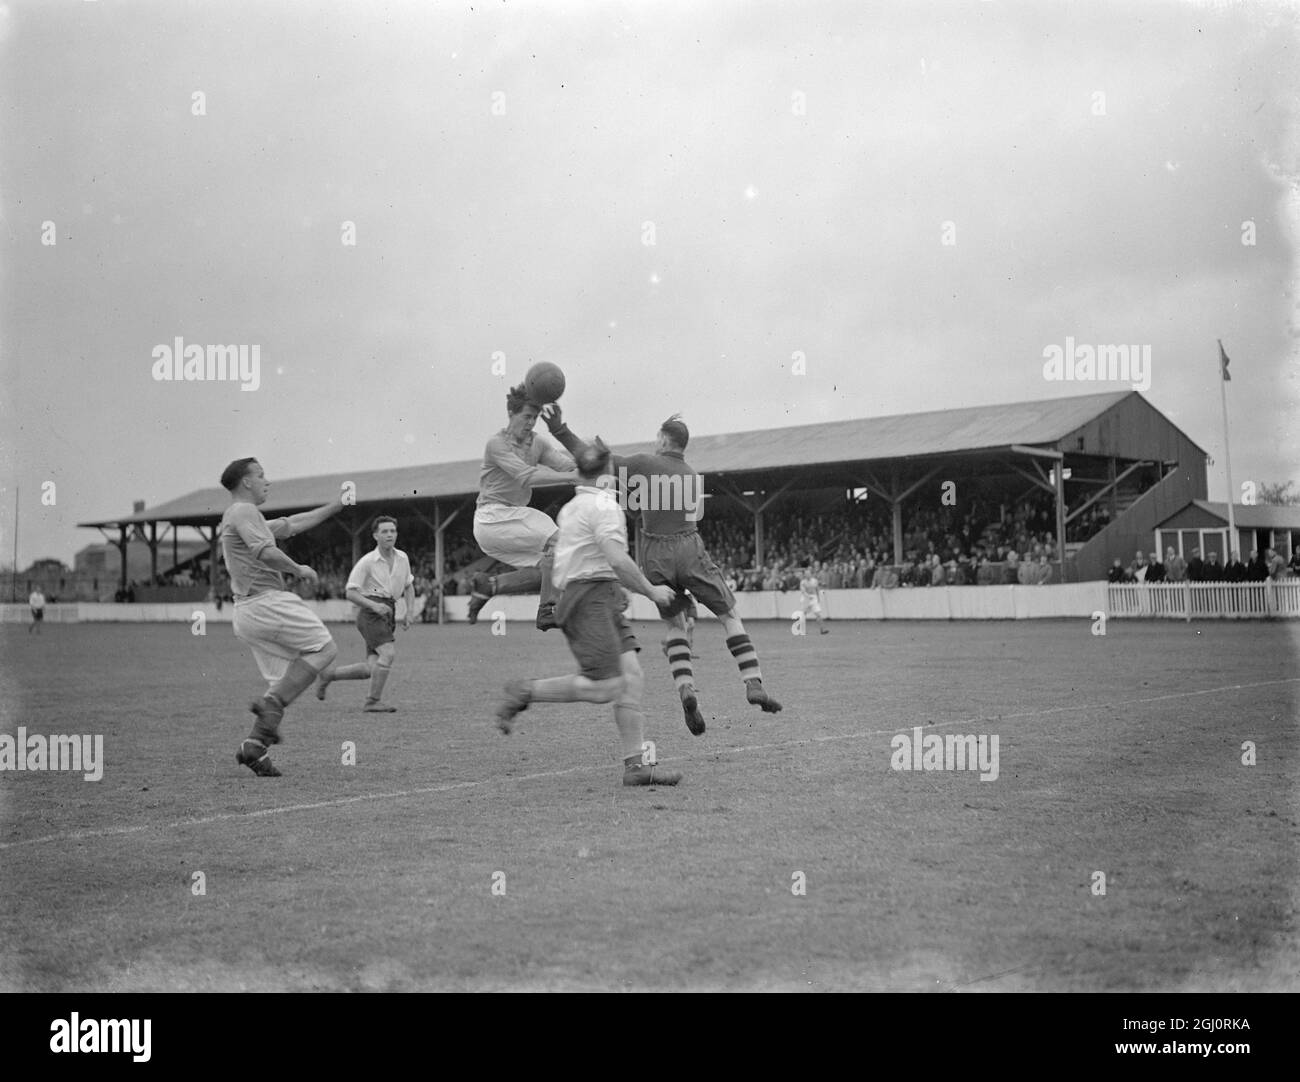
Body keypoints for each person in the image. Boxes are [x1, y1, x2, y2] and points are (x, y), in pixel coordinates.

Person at [543, 408, 782, 735]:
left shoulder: (643, 463)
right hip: (688, 546)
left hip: (654, 553)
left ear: (663, 439)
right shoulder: (693, 476)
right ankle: (752, 681)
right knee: (730, 616)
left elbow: (594, 460)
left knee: (675, 625)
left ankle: (686, 688)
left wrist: (560, 429)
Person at [494, 439, 683, 787]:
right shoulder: (604, 507)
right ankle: (525, 690)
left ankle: (635, 766)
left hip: (595, 593)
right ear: (609, 471)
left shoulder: (574, 507)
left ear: (579, 473)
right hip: (588, 598)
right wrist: (650, 590)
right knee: (606, 687)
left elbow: (581, 558)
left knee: (632, 677)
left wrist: (615, 588)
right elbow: (615, 557)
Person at [219, 457, 344, 777]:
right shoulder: (243, 511)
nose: (267, 481)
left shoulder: (245, 517)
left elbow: (294, 523)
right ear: (246, 482)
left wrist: (335, 506)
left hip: (247, 612)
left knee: (283, 682)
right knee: (325, 649)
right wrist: (297, 568)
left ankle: (255, 747)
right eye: (261, 475)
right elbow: (264, 551)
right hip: (265, 603)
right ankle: (271, 709)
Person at [466, 383, 579, 629]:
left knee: (548, 569)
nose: (531, 423)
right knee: (559, 541)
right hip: (492, 517)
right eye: (527, 416)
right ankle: (548, 610)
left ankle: (490, 585)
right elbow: (527, 476)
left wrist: (591, 468)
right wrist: (574, 478)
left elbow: (566, 466)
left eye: (535, 417)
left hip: (504, 523)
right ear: (511, 414)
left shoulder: (537, 443)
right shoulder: (496, 444)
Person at [316, 515, 414, 712]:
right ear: (375, 535)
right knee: (388, 653)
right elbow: (350, 592)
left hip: (389, 611)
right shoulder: (367, 562)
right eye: (384, 531)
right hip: (370, 613)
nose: (389, 535)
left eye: (392, 531)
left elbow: (409, 585)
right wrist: (374, 606)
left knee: (372, 668)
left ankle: (329, 675)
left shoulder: (403, 558)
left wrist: (409, 611)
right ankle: (372, 701)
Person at [798, 565, 829, 634]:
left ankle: (822, 629)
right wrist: (808, 596)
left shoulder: (815, 581)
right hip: (806, 599)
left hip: (813, 599)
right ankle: (801, 630)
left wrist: (818, 598)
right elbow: (803, 591)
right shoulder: (802, 582)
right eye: (806, 574)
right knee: (803, 614)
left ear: (811, 574)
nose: (807, 575)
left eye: (808, 574)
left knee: (818, 614)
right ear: (805, 575)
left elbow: (817, 589)